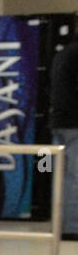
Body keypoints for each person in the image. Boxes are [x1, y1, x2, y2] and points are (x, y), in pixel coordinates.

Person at [49, 28, 78, 240]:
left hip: (57, 123)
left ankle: (59, 223)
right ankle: (71, 227)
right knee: (74, 177)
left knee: (60, 175)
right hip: (74, 125)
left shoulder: (62, 53)